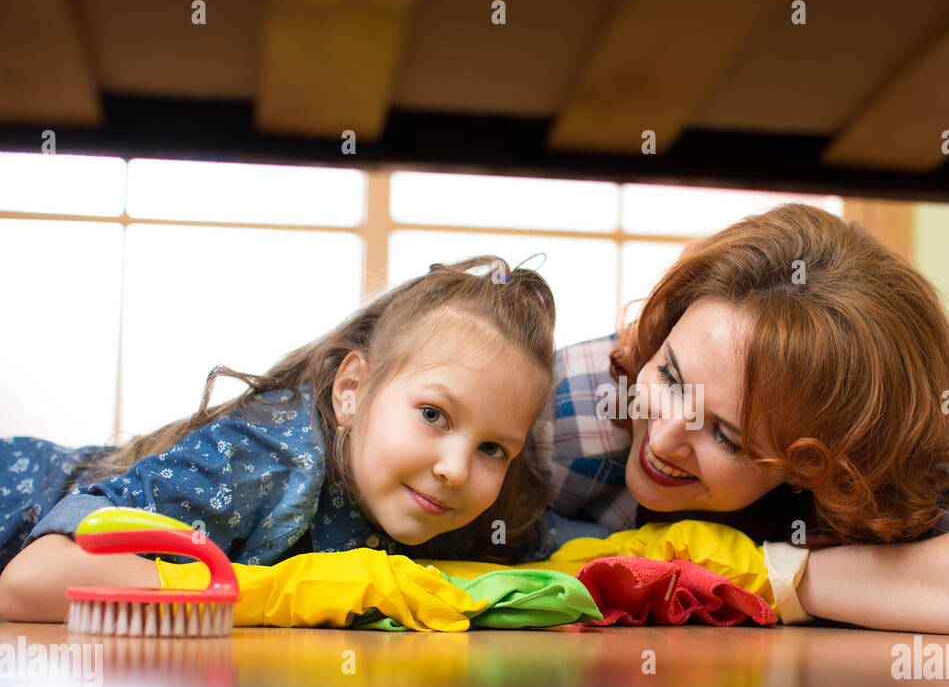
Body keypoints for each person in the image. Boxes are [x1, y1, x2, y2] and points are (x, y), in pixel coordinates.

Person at [530, 204, 949, 636]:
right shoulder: (557, 407)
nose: (664, 438)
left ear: (825, 465)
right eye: (669, 375)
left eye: (726, 436)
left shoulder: (866, 470)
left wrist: (778, 575)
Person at [0, 257, 557, 623]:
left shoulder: (463, 505)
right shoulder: (268, 456)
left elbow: (555, 546)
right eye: (433, 414)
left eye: (493, 449)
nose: (457, 469)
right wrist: (283, 590)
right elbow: (31, 580)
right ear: (352, 390)